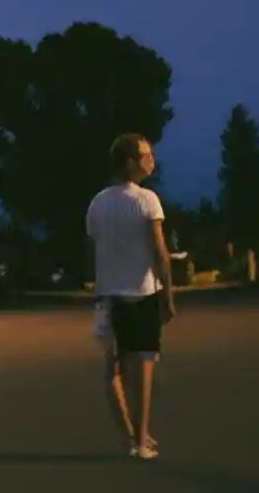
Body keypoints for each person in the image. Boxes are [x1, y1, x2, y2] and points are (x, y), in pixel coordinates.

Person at [86, 133, 176, 460]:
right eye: (146, 155)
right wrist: (168, 294)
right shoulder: (147, 200)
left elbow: (96, 245)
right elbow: (159, 251)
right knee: (143, 372)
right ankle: (140, 441)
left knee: (112, 372)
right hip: (141, 295)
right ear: (129, 162)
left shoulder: (97, 202)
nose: (151, 160)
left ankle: (131, 437)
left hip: (107, 298)